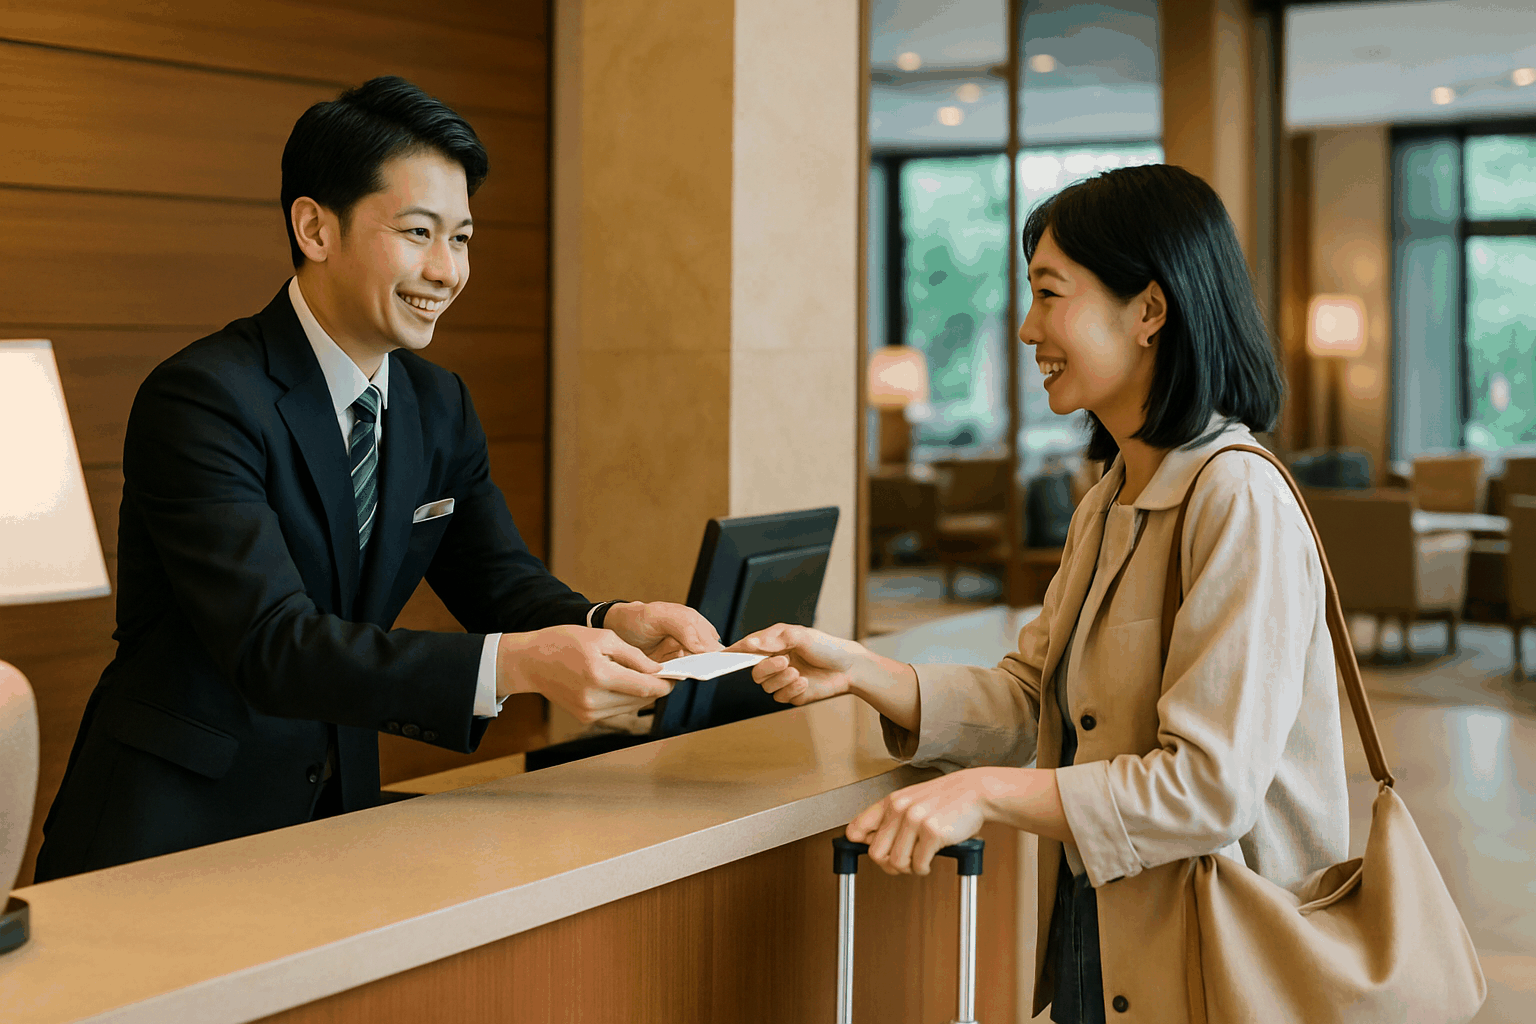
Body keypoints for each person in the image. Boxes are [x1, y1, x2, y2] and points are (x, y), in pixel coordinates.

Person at [35, 77, 719, 882]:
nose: (447, 270)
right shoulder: (204, 396)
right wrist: (523, 665)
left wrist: (612, 618)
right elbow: (272, 644)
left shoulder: (437, 402)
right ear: (315, 227)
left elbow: (500, 582)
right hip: (173, 827)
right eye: (419, 232)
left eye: (461, 238)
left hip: (334, 820)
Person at [731, 165, 1348, 1024]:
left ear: (1149, 312)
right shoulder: (1110, 498)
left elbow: (1210, 788)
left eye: (1048, 294)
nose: (1027, 330)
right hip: (1105, 933)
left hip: (1223, 964)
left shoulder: (1237, 500)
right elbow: (1034, 699)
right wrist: (865, 670)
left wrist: (982, 793)